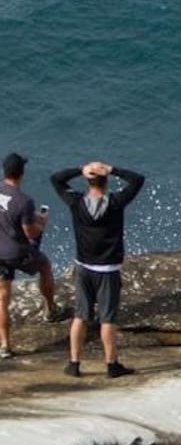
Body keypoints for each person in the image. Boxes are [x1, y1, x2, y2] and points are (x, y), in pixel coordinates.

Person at [51, 161, 147, 378]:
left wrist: (79, 169)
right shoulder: (115, 202)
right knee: (108, 319)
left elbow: (56, 179)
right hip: (108, 269)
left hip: (84, 267)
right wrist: (112, 169)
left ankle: (74, 363)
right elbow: (138, 179)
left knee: (80, 316)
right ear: (106, 181)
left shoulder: (76, 202)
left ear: (88, 181)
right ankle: (111, 365)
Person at [1, 153, 64, 359]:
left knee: (2, 298)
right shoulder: (24, 201)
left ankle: (5, 345)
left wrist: (29, 217)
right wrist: (41, 221)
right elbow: (30, 233)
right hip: (18, 253)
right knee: (45, 265)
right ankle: (50, 311)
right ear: (22, 173)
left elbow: (8, 213)